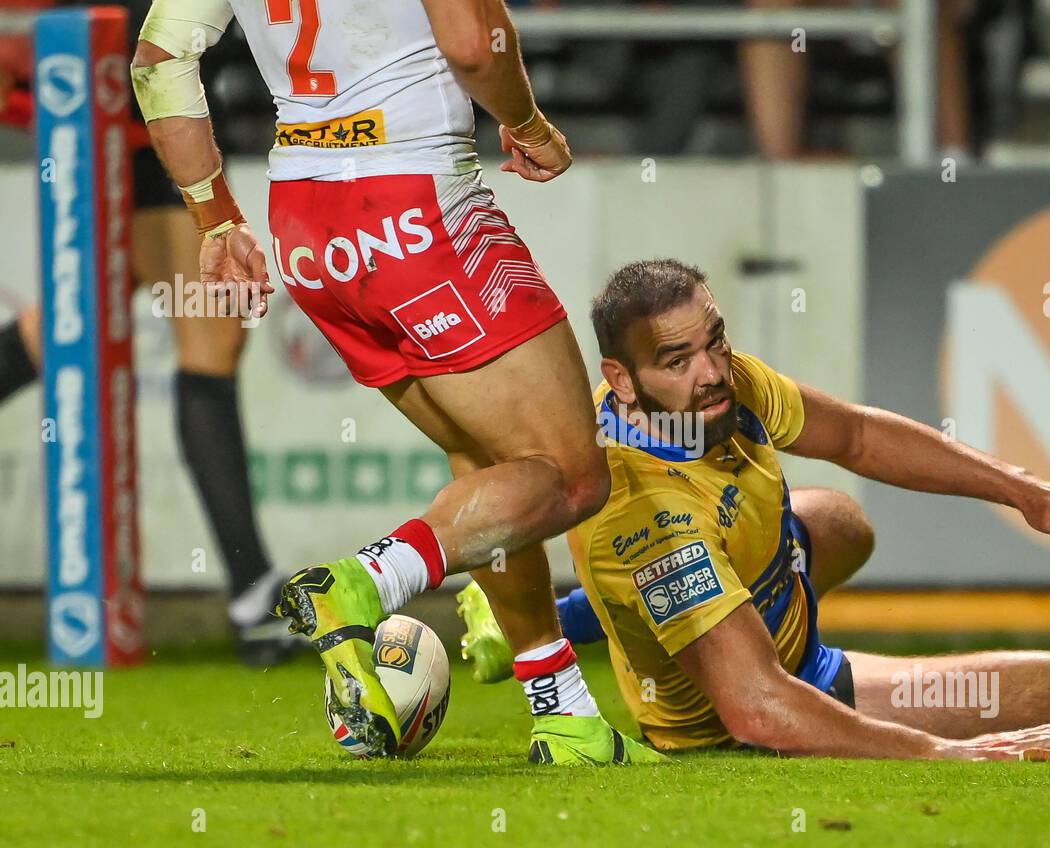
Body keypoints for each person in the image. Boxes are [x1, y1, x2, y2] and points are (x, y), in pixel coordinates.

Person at [129, 0, 663, 762]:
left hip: (308, 227)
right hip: (414, 204)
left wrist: (215, 219)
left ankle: (564, 715)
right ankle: (360, 585)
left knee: (491, 462)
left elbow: (158, 62)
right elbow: (475, 48)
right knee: (575, 477)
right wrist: (529, 123)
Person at [459, 258, 1050, 760]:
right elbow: (757, 709)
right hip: (748, 704)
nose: (709, 375)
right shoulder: (647, 519)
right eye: (676, 362)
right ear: (623, 381)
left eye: (715, 343)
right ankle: (577, 617)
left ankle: (564, 612)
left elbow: (854, 434)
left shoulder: (720, 388)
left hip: (765, 624)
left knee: (837, 519)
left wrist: (1024, 488)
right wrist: (939, 751)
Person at [0, 0, 296, 665]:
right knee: (98, 330)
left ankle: (253, 593)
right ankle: (253, 597)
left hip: (144, 122)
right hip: (121, 122)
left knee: (76, 328)